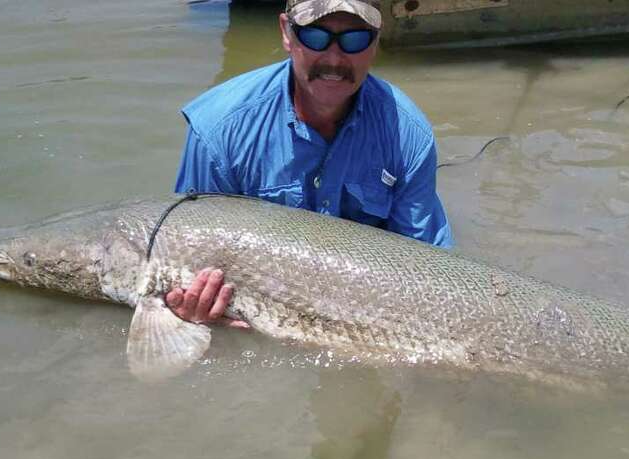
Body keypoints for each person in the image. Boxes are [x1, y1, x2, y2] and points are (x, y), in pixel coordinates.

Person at [166, 0, 453, 326]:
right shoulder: (218, 130)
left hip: (368, 310)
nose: (333, 59)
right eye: (316, 37)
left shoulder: (409, 134)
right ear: (287, 33)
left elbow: (430, 271)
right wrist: (190, 307)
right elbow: (187, 255)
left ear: (375, 41)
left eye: (355, 39)